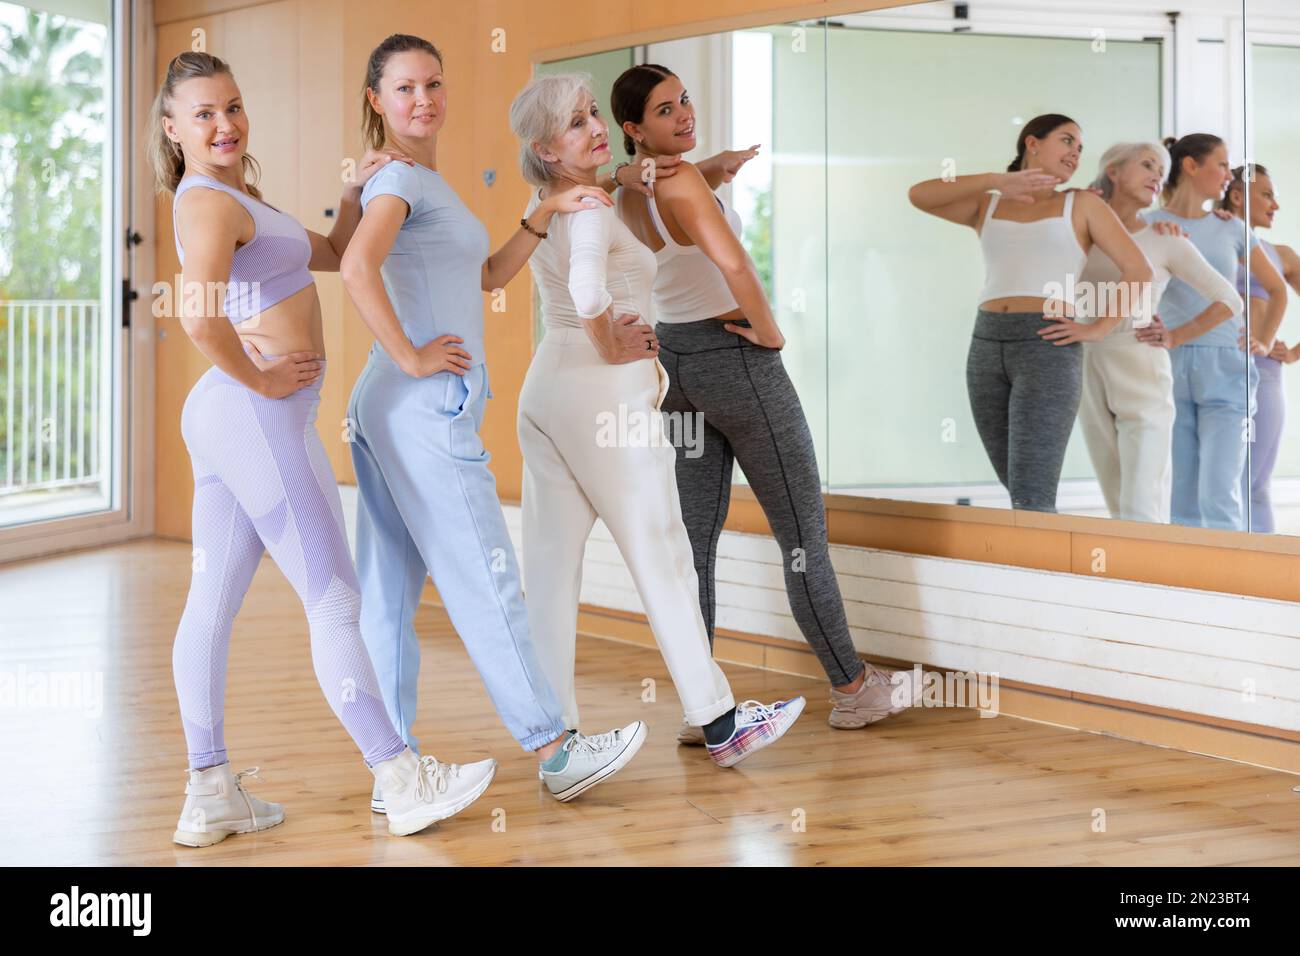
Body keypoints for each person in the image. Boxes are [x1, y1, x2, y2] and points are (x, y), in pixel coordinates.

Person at [152, 51, 496, 844]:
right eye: (203, 113)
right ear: (172, 130)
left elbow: (338, 255)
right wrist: (263, 382)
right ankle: (400, 776)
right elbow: (199, 315)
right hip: (255, 417)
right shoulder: (204, 204)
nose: (225, 123)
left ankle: (209, 794)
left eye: (232, 106)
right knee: (335, 598)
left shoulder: (237, 197)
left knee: (212, 599)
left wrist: (351, 189)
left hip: (225, 417)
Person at [340, 35, 645, 809]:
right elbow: (353, 265)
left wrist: (541, 208)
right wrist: (410, 356)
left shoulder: (412, 181)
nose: (423, 100)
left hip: (384, 407)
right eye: (404, 89)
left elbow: (484, 276)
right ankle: (554, 745)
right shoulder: (402, 178)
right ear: (377, 101)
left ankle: (394, 770)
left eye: (433, 84)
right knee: (486, 574)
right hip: (421, 410)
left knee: (389, 591)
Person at [609, 63, 919, 737]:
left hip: (678, 366)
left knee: (695, 544)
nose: (685, 114)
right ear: (635, 128)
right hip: (737, 360)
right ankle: (856, 688)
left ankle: (703, 707)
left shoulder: (629, 189)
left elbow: (669, 220)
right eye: (666, 111)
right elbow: (732, 263)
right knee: (802, 536)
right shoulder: (679, 178)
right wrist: (771, 332)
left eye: (685, 100)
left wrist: (705, 170)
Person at [510, 72, 805, 767]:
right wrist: (610, 338)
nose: (595, 128)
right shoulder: (586, 210)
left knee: (550, 572)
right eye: (579, 122)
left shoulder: (551, 200)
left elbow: (605, 196)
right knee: (663, 551)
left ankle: (558, 742)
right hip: (604, 397)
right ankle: (721, 721)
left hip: (546, 389)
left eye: (593, 114)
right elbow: (589, 285)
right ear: (550, 148)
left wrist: (702, 169)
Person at [908, 114, 1152, 513]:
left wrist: (1098, 329)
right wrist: (996, 180)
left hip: (1047, 347)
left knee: (1032, 494)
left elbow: (1138, 269)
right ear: (1032, 143)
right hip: (986, 344)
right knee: (1016, 485)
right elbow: (919, 194)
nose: (1075, 153)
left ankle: (1045, 571)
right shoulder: (986, 204)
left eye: (1080, 148)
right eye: (1067, 140)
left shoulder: (1082, 203)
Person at [1076, 142, 1242, 523]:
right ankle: (1123, 579)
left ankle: (1149, 577)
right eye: (1147, 165)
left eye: (1161, 172)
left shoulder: (1165, 237)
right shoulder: (1077, 230)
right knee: (1115, 496)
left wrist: (1176, 335)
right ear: (1113, 171)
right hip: (1085, 363)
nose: (1156, 176)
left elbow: (1229, 299)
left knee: (1141, 501)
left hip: (1141, 360)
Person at [1144, 135, 1286, 530]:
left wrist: (1265, 340)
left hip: (1228, 364)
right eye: (1221, 165)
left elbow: (1277, 290)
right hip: (1169, 363)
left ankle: (1233, 585)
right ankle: (1188, 587)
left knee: (1220, 493)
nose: (1228, 176)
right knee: (1182, 496)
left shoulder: (1232, 228)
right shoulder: (1149, 224)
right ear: (1190, 166)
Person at [1221, 163, 1299, 533]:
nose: (1275, 205)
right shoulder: (1206, 239)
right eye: (1267, 195)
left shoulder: (1280, 254)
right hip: (1210, 367)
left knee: (1255, 483)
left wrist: (1293, 351)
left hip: (1263, 372)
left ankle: (1262, 580)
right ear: (1237, 196)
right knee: (1216, 480)